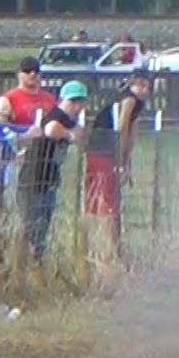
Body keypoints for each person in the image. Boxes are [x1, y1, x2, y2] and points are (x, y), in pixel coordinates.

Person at [18, 80, 89, 261]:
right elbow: (50, 130)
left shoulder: (69, 119)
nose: (75, 106)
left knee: (41, 225)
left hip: (48, 179)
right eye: (72, 101)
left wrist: (76, 133)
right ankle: (28, 262)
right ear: (62, 100)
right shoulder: (57, 115)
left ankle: (34, 261)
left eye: (79, 102)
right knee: (34, 226)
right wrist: (70, 135)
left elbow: (82, 137)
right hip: (35, 178)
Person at [84, 69, 153, 252]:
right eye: (144, 85)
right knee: (106, 199)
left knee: (112, 198)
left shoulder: (139, 104)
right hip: (103, 148)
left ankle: (114, 245)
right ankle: (108, 247)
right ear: (136, 83)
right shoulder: (129, 99)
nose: (147, 90)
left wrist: (127, 162)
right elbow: (122, 130)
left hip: (111, 151)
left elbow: (132, 135)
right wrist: (120, 162)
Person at [1, 56, 56, 127]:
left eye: (36, 70)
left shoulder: (49, 98)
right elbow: (2, 129)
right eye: (27, 70)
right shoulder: (8, 99)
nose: (32, 74)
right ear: (19, 74)